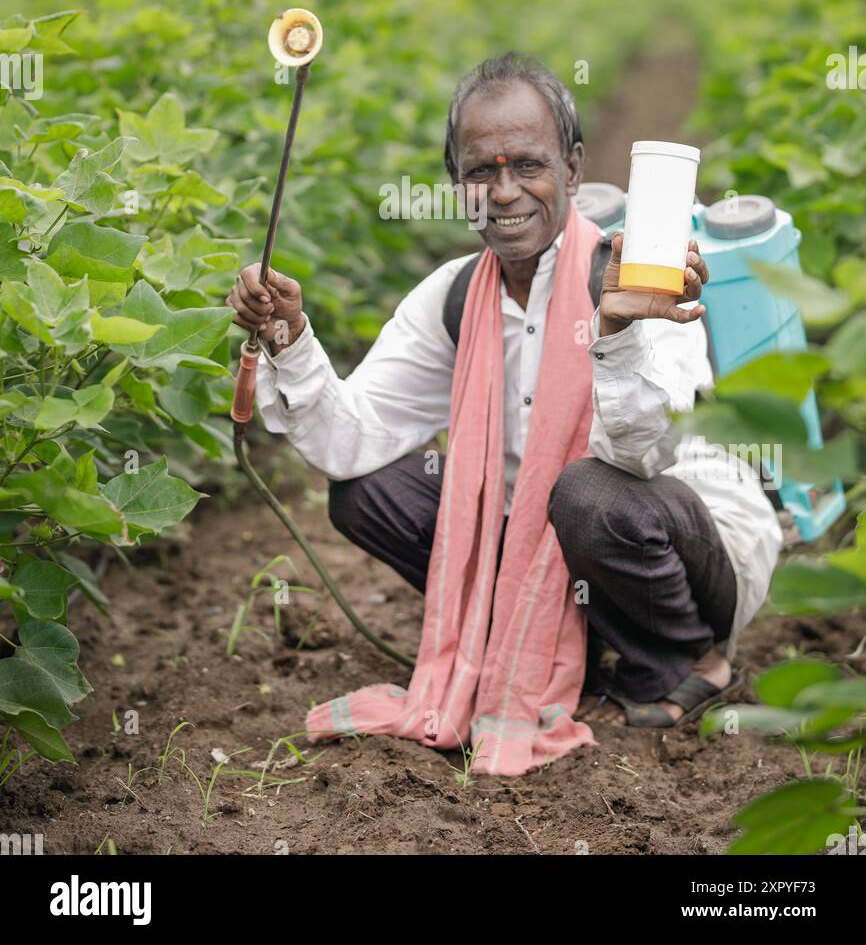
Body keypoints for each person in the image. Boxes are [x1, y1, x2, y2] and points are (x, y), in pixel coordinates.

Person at [227, 52, 783, 733]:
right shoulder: (457, 295)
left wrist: (614, 332)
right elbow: (351, 440)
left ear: (572, 168)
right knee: (365, 491)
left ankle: (683, 658)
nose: (505, 191)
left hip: (693, 547)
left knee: (588, 495)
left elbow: (646, 457)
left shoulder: (635, 274)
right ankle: (556, 632)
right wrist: (291, 335)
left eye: (528, 165)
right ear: (456, 184)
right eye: (480, 172)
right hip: (558, 547)